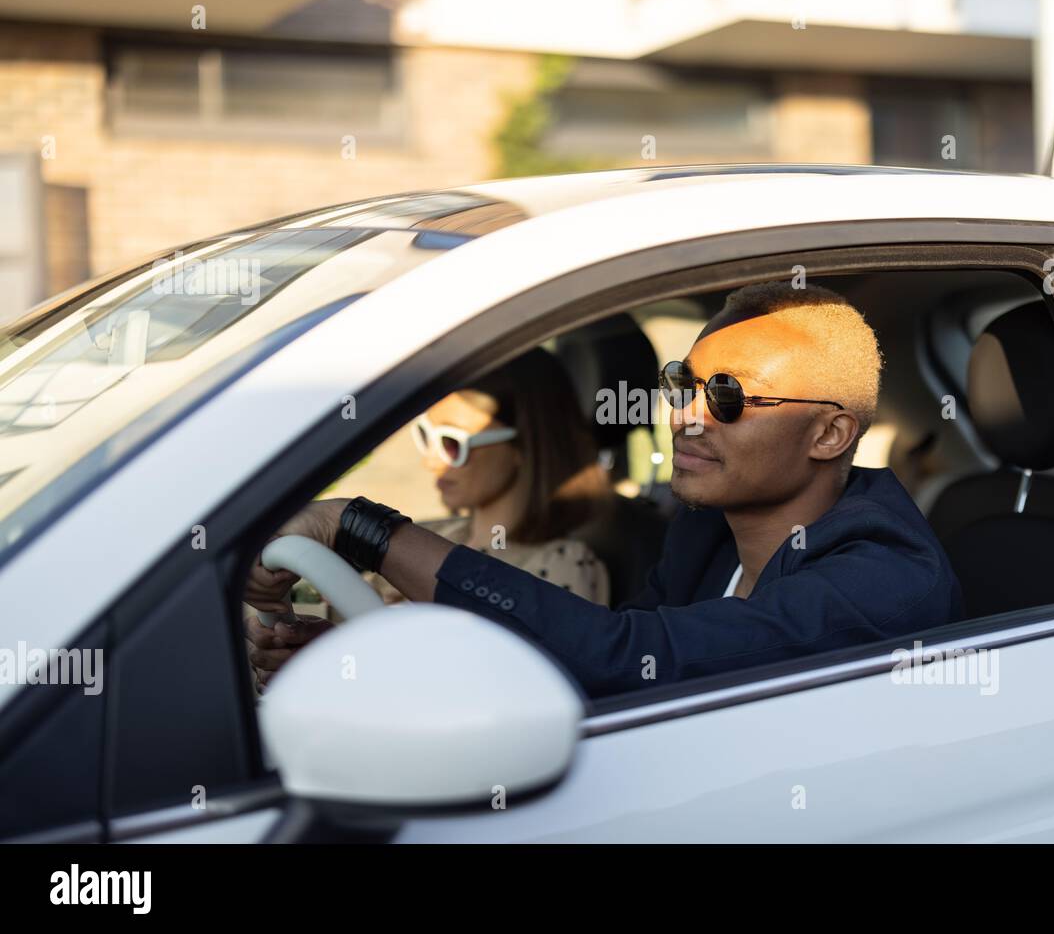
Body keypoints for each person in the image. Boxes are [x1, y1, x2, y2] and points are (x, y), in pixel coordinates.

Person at [246, 281, 963, 698]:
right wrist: (364, 655)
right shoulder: (706, 531)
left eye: (728, 395)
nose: (684, 414)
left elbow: (624, 655)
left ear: (829, 435)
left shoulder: (884, 575)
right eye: (682, 384)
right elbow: (575, 665)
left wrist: (359, 526)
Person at [361, 348, 609, 609]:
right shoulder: (433, 534)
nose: (430, 462)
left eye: (453, 443)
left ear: (523, 446)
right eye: (425, 435)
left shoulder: (560, 565)